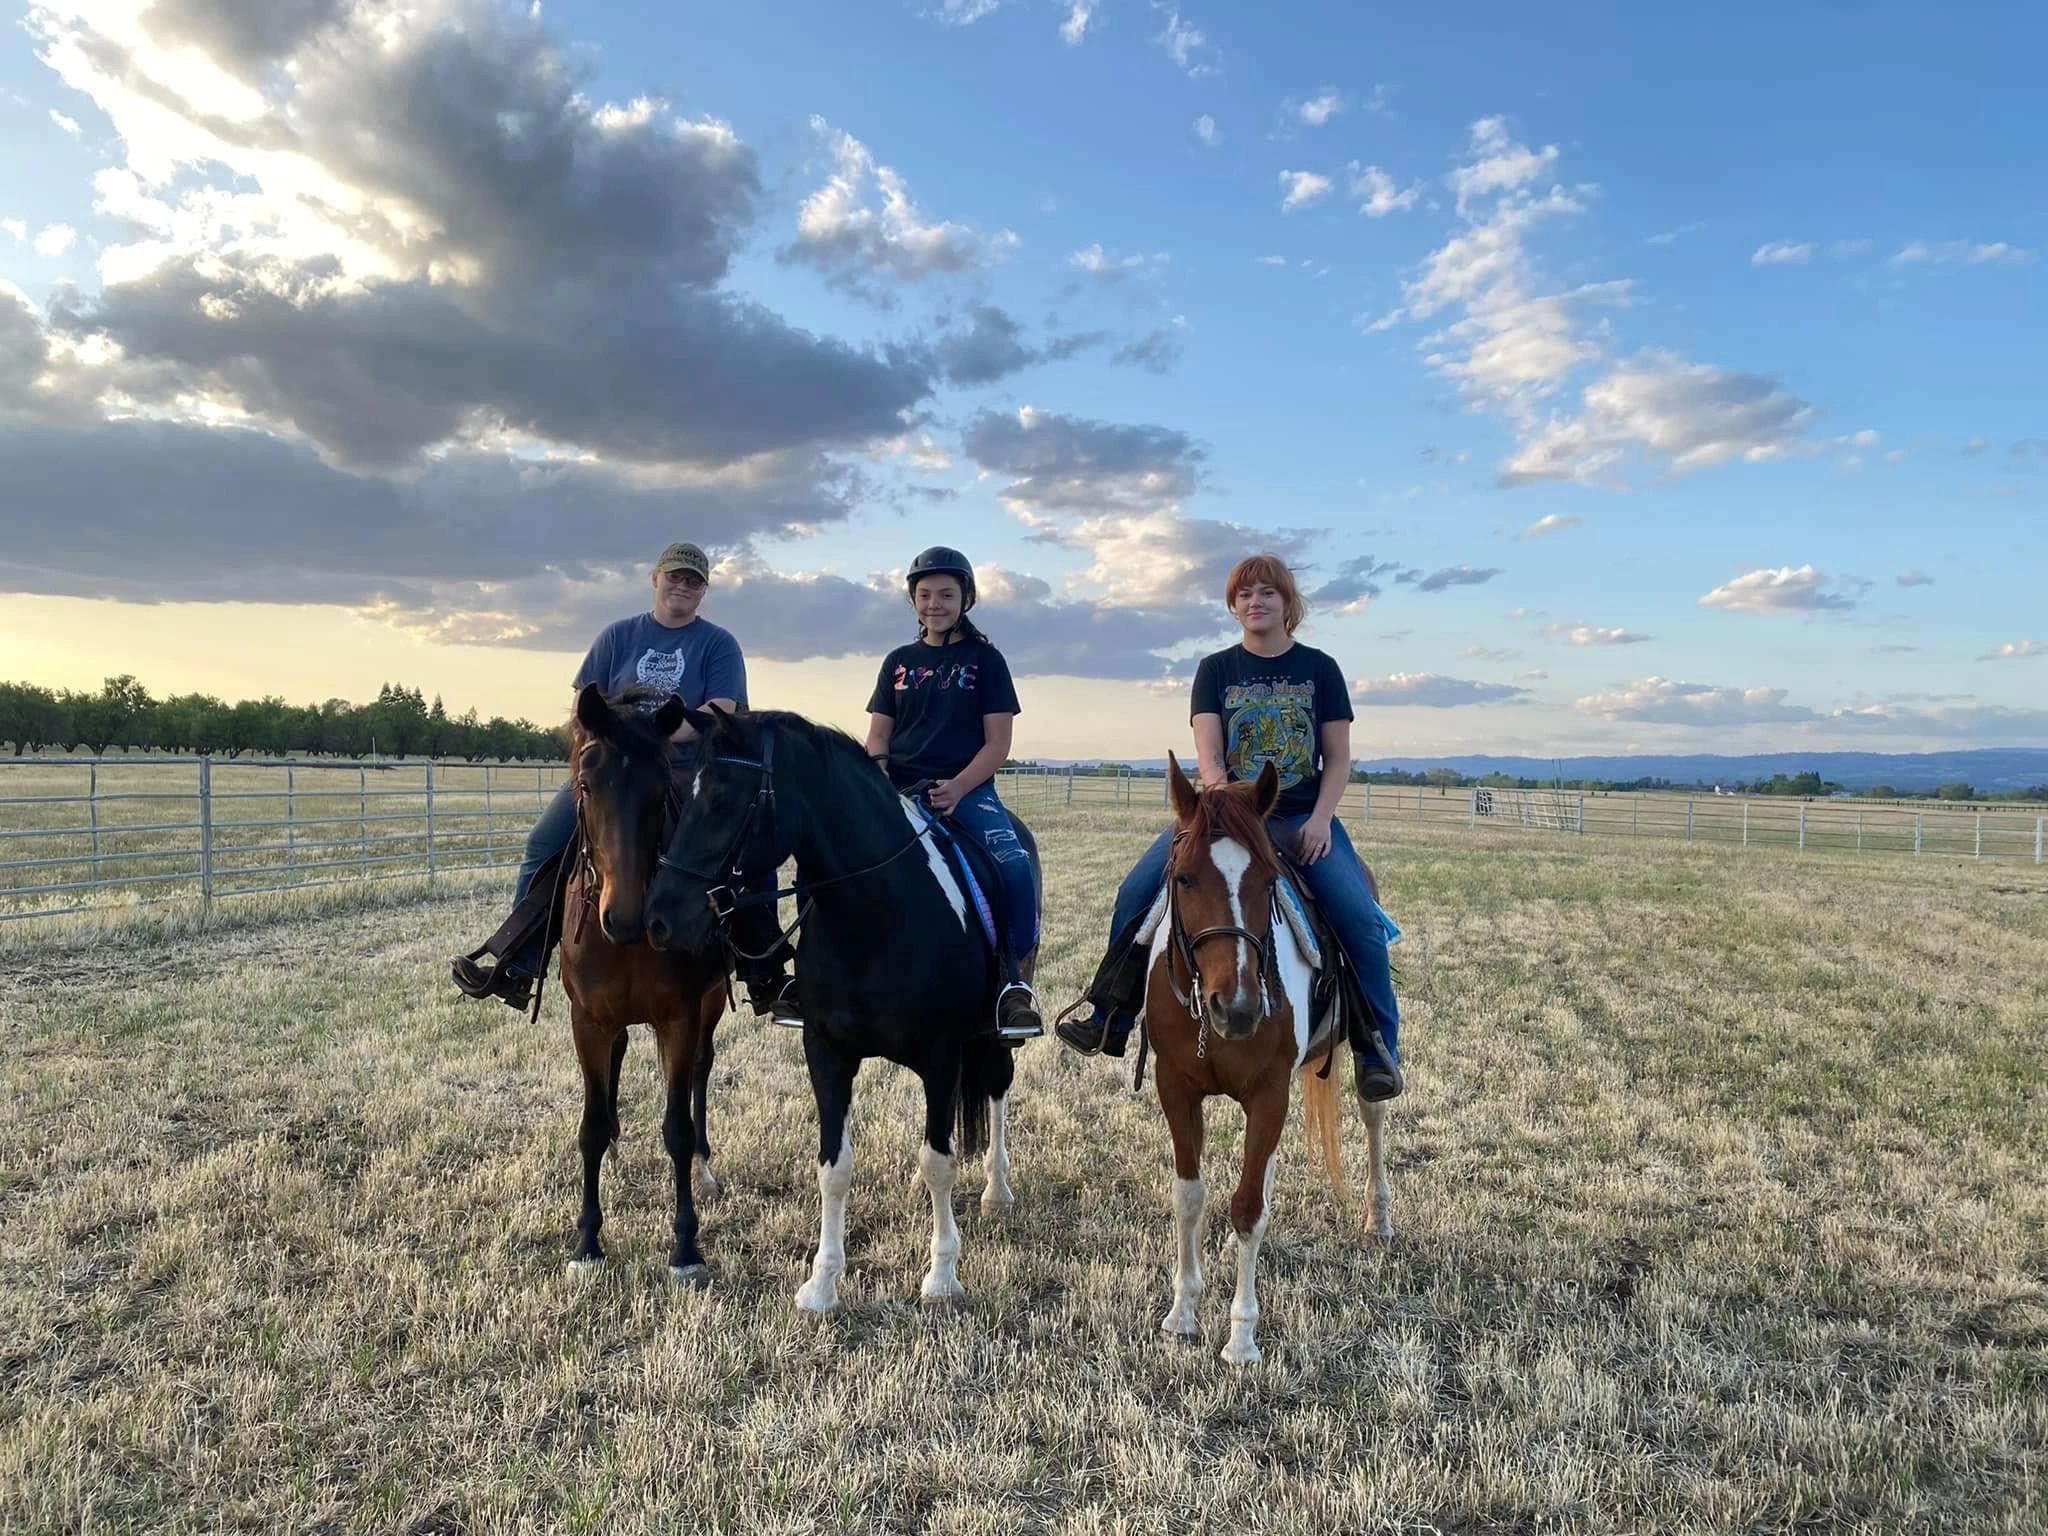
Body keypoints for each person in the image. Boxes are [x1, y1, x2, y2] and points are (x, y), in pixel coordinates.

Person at [1054, 552, 1403, 1100]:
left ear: (1288, 603)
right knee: (1135, 892)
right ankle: (1109, 1014)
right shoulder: (1217, 669)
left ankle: (1376, 1046)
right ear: (1232, 606)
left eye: (1267, 593)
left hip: (1298, 818)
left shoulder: (1320, 669)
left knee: (1359, 916)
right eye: (1244, 595)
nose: (1255, 602)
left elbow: (1337, 759)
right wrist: (1221, 807)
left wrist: (1320, 820)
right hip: (1221, 816)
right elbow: (1210, 757)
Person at [449, 541, 796, 1021]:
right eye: (675, 576)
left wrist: (654, 736)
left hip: (686, 771)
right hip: (613, 772)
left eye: (694, 580)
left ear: (704, 591)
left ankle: (765, 974)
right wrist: (618, 743)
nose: (683, 585)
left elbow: (722, 711)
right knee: (543, 842)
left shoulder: (718, 644)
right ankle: (520, 963)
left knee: (746, 850)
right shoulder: (617, 636)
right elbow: (583, 707)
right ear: (655, 579)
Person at [862, 546, 1043, 1038]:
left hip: (968, 791)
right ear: (912, 601)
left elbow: (998, 743)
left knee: (1015, 868)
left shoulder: (986, 661)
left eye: (946, 593)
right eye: (924, 595)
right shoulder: (898, 662)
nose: (935, 603)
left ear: (966, 597)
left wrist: (960, 787)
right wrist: (878, 783)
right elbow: (879, 736)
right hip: (898, 791)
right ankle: (813, 978)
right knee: (837, 858)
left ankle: (1014, 984)